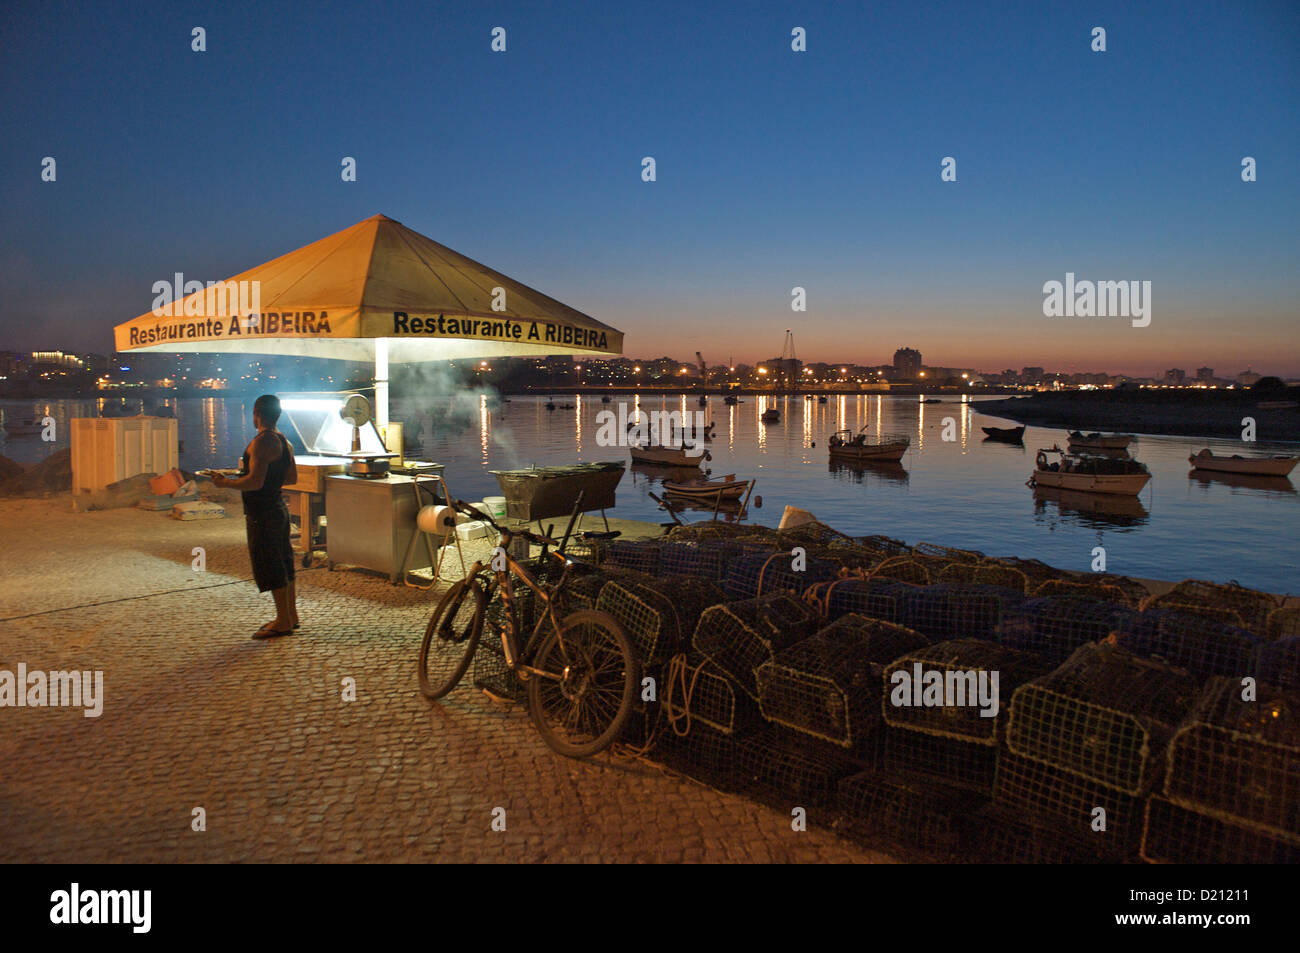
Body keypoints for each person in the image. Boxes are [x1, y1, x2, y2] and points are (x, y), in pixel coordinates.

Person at [212, 394, 299, 638]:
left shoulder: (262, 442)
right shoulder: (285, 442)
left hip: (263, 512)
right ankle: (291, 616)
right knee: (284, 562)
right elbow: (291, 478)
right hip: (279, 508)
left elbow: (254, 482)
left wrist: (225, 483)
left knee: (271, 564)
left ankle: (282, 621)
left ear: (256, 413)